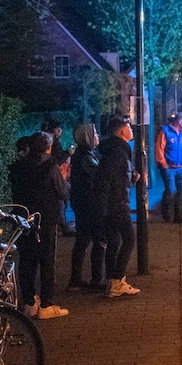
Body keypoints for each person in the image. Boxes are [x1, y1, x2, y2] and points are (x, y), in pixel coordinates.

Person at [18, 132, 71, 319]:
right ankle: (47, 304)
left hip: (24, 219)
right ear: (48, 147)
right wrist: (64, 178)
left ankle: (29, 302)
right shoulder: (50, 166)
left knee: (27, 261)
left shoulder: (20, 166)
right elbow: (63, 193)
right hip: (46, 219)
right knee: (47, 261)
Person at [95, 117, 142, 298]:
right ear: (122, 132)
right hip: (117, 203)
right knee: (129, 239)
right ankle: (117, 281)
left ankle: (110, 281)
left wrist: (130, 176)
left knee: (114, 242)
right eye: (129, 127)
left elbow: (113, 176)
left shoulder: (113, 150)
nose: (131, 130)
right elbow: (105, 179)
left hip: (111, 203)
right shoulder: (119, 152)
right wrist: (105, 205)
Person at [68, 124, 106, 292]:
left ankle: (75, 280)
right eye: (94, 133)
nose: (97, 135)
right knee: (99, 239)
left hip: (81, 202)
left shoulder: (83, 154)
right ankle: (96, 280)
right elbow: (98, 176)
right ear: (87, 137)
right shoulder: (86, 157)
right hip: (88, 203)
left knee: (82, 240)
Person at [155, 112, 182, 223]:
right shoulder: (165, 132)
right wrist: (163, 163)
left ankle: (178, 215)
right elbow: (159, 148)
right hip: (169, 167)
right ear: (180, 121)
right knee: (171, 190)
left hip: (181, 167)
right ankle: (167, 214)